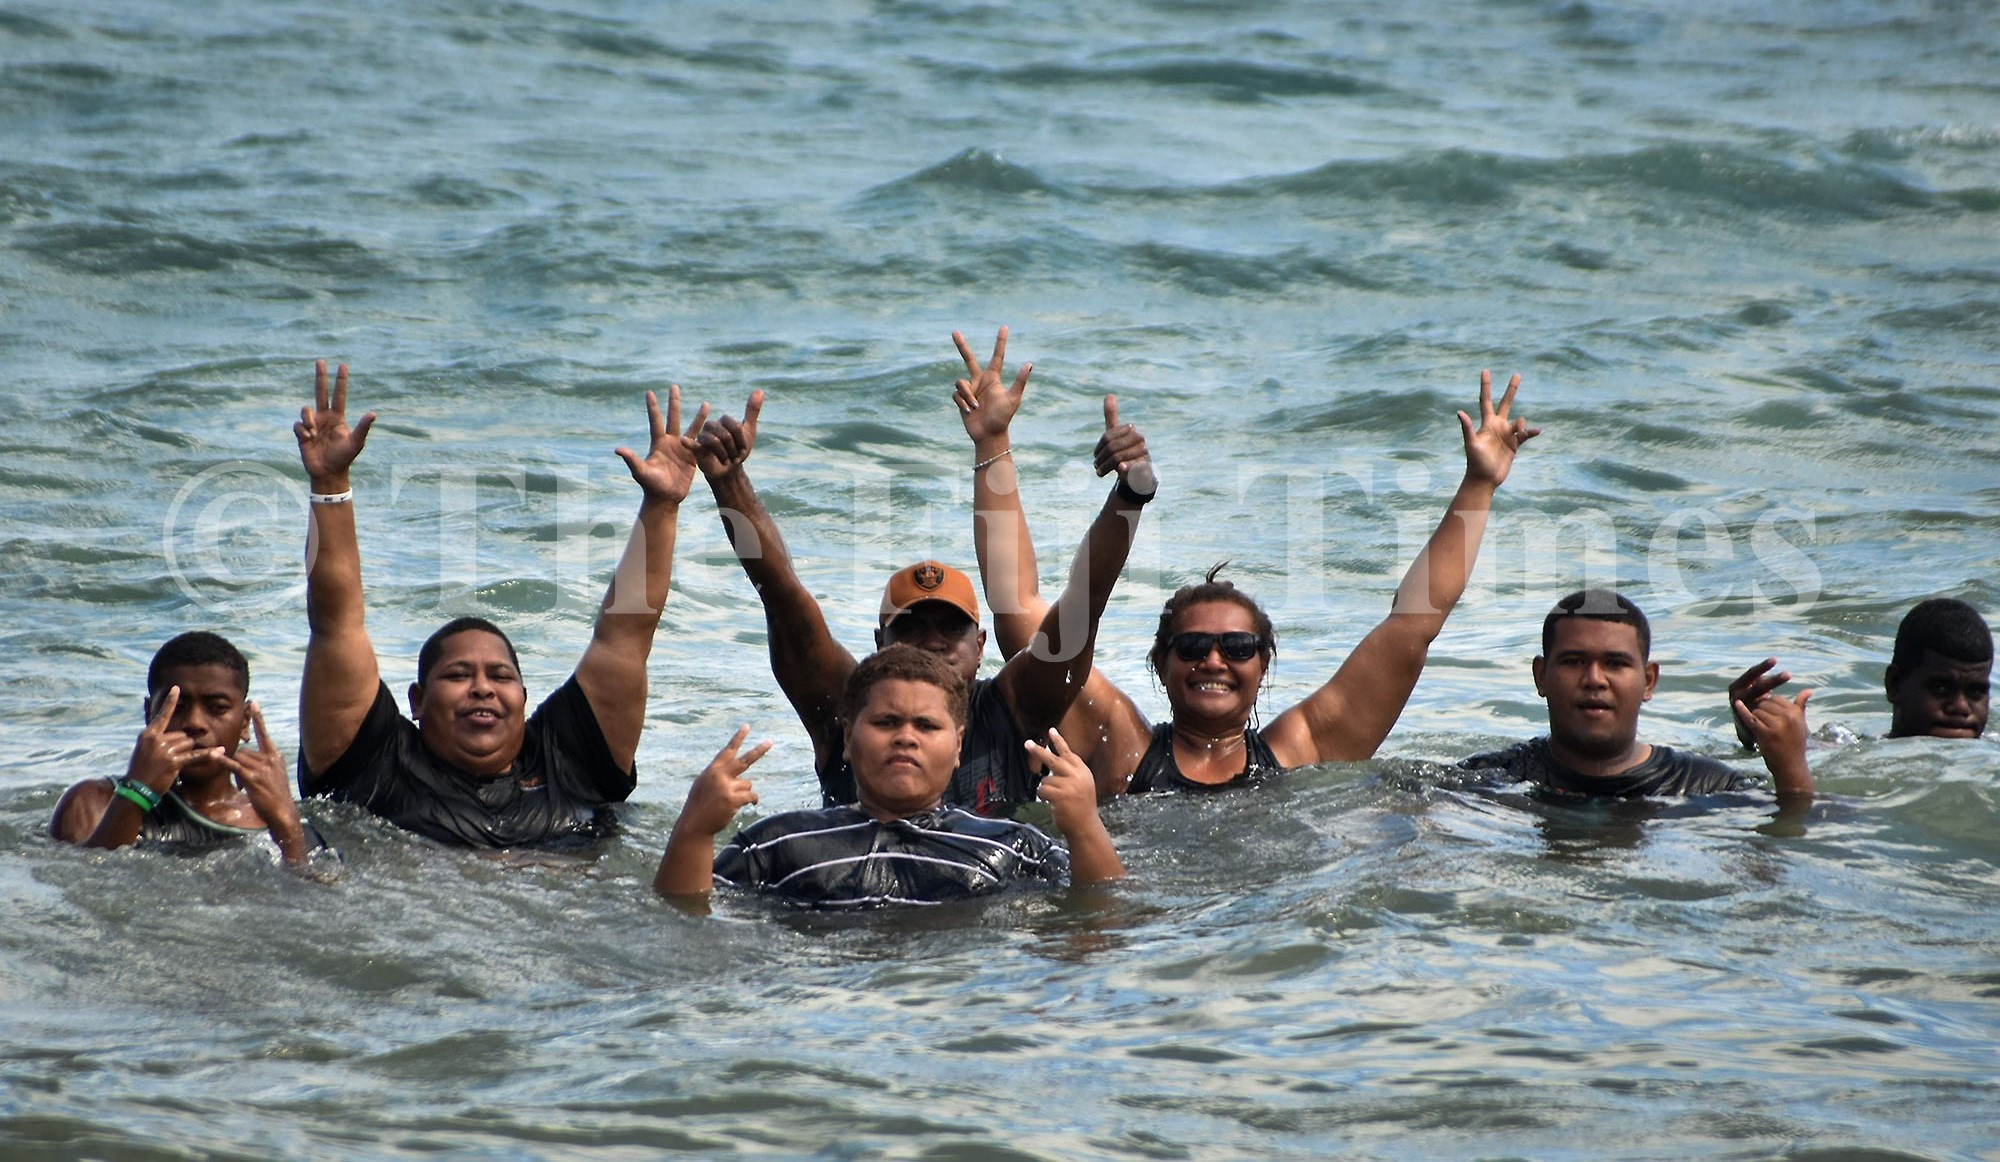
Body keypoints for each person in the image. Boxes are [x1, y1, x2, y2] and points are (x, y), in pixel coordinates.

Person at [955, 339, 1536, 796]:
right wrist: (993, 445)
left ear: (1263, 664)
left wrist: (1479, 484)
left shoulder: (1307, 749)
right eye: (1192, 647)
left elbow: (1413, 626)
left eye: (1236, 647)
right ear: (1160, 663)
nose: (1214, 660)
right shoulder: (1118, 749)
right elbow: (1021, 613)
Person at [692, 335, 1153, 818]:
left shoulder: (1014, 710)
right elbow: (784, 597)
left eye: (949, 627)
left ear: (979, 646)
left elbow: (1084, 603)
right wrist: (730, 484)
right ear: (880, 642)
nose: (932, 641)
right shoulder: (847, 711)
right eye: (911, 628)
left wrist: (1130, 494)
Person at [293, 360, 708, 847]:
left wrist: (661, 506)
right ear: (418, 702)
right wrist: (330, 484)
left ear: (525, 698)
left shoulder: (570, 762)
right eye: (457, 674)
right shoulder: (372, 766)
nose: (482, 689)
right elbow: (336, 623)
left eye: (501, 676)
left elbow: (626, 636)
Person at [655, 645, 1122, 909]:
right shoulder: (776, 845)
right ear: (847, 738)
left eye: (926, 725)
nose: (906, 737)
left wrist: (1085, 828)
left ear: (958, 746)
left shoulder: (1011, 846)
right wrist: (694, 830)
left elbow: (1102, 906)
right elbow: (686, 912)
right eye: (885, 723)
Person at [1462, 589, 1814, 801]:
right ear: (1541, 676)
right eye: (1573, 661)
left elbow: (1807, 844)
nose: (1594, 679)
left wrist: (1790, 767)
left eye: (1615, 664)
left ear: (1648, 681)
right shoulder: (1493, 778)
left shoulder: (1705, 787)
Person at [50, 632, 316, 864]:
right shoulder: (92, 802)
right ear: (149, 715)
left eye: (217, 708)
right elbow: (87, 883)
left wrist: (287, 823)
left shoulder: (281, 818)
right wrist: (137, 791)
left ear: (245, 721)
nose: (195, 723)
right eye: (177, 707)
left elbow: (315, 901)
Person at [1728, 597, 1990, 744]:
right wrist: (1754, 730)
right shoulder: (1848, 748)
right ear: (1894, 684)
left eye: (1976, 692)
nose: (1961, 707)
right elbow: (1796, 754)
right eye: (1942, 688)